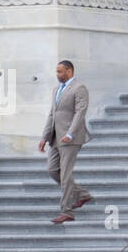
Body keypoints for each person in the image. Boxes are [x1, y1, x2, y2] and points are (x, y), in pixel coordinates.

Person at [38, 60, 93, 224]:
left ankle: (67, 211)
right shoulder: (56, 89)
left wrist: (71, 133)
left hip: (71, 138)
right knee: (52, 170)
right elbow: (52, 115)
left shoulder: (79, 88)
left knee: (65, 174)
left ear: (69, 71)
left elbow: (80, 113)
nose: (57, 75)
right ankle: (83, 195)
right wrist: (44, 137)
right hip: (55, 138)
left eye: (60, 71)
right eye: (56, 71)